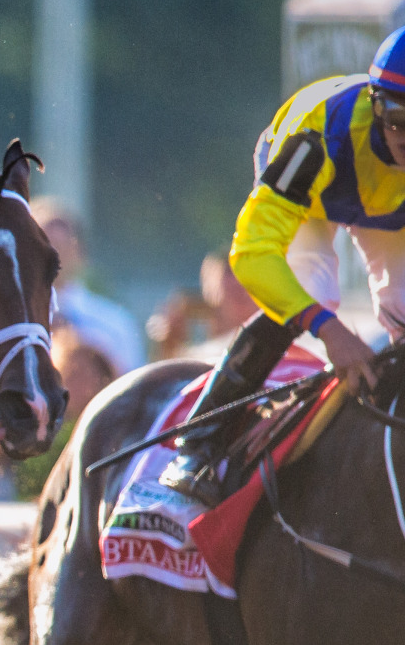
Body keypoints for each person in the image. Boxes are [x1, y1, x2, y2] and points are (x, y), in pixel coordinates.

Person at [158, 27, 405, 503]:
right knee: (311, 290)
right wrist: (331, 331)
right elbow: (251, 254)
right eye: (397, 119)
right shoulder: (317, 138)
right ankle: (202, 438)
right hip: (311, 196)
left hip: (389, 210)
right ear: (375, 106)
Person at [30, 198, 145, 376]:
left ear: (81, 254)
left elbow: (133, 389)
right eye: (41, 247)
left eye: (61, 248)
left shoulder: (115, 324)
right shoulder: (8, 323)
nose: (51, 259)